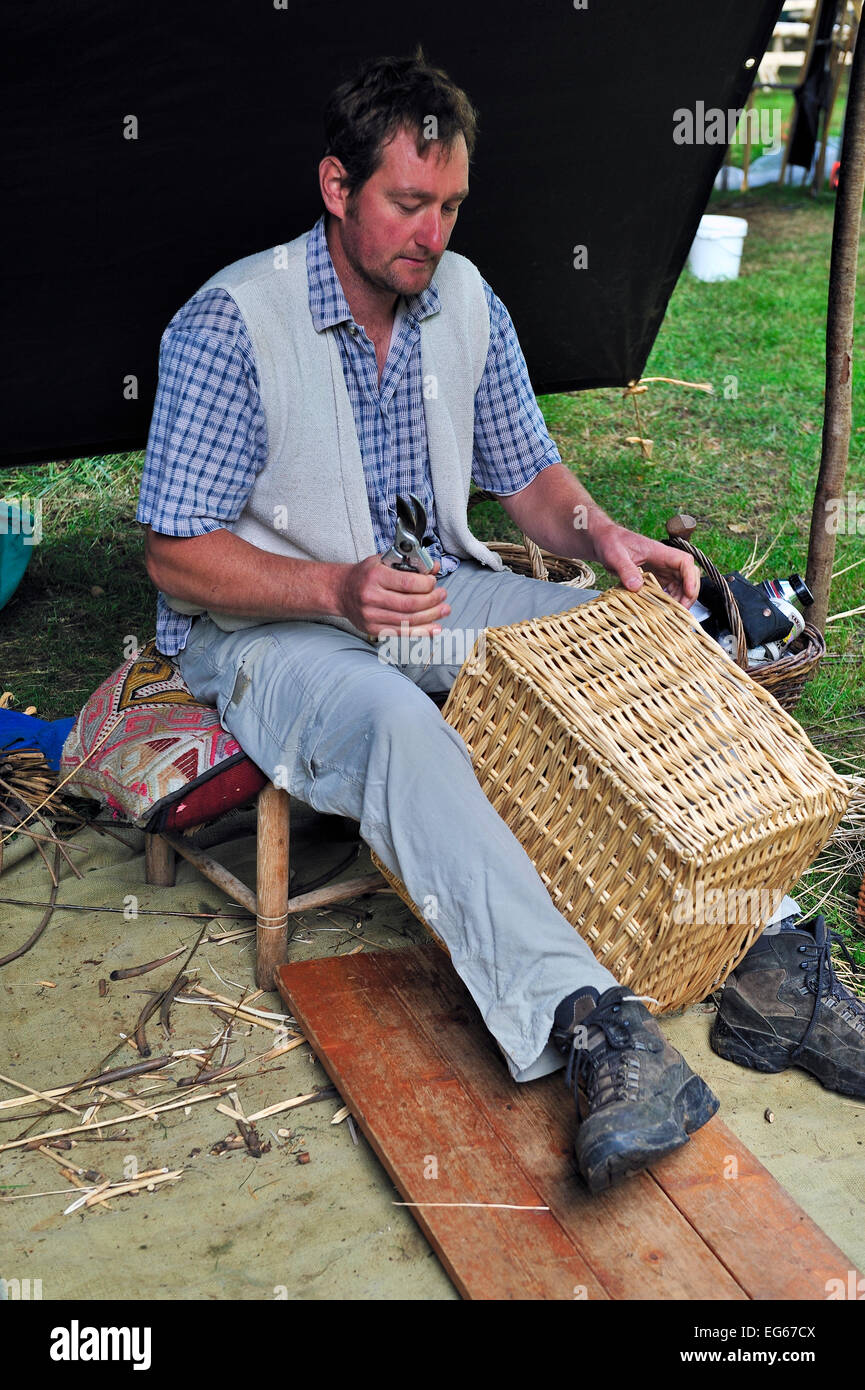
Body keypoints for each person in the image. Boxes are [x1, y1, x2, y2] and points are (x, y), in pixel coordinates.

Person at [137, 48, 865, 1194]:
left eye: (450, 206)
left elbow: (530, 479)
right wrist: (334, 589)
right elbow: (175, 552)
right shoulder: (234, 322)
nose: (431, 233)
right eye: (407, 204)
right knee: (394, 719)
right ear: (337, 188)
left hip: (426, 586)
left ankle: (766, 951)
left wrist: (602, 537)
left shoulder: (462, 299)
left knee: (618, 650)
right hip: (274, 625)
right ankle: (587, 1023)